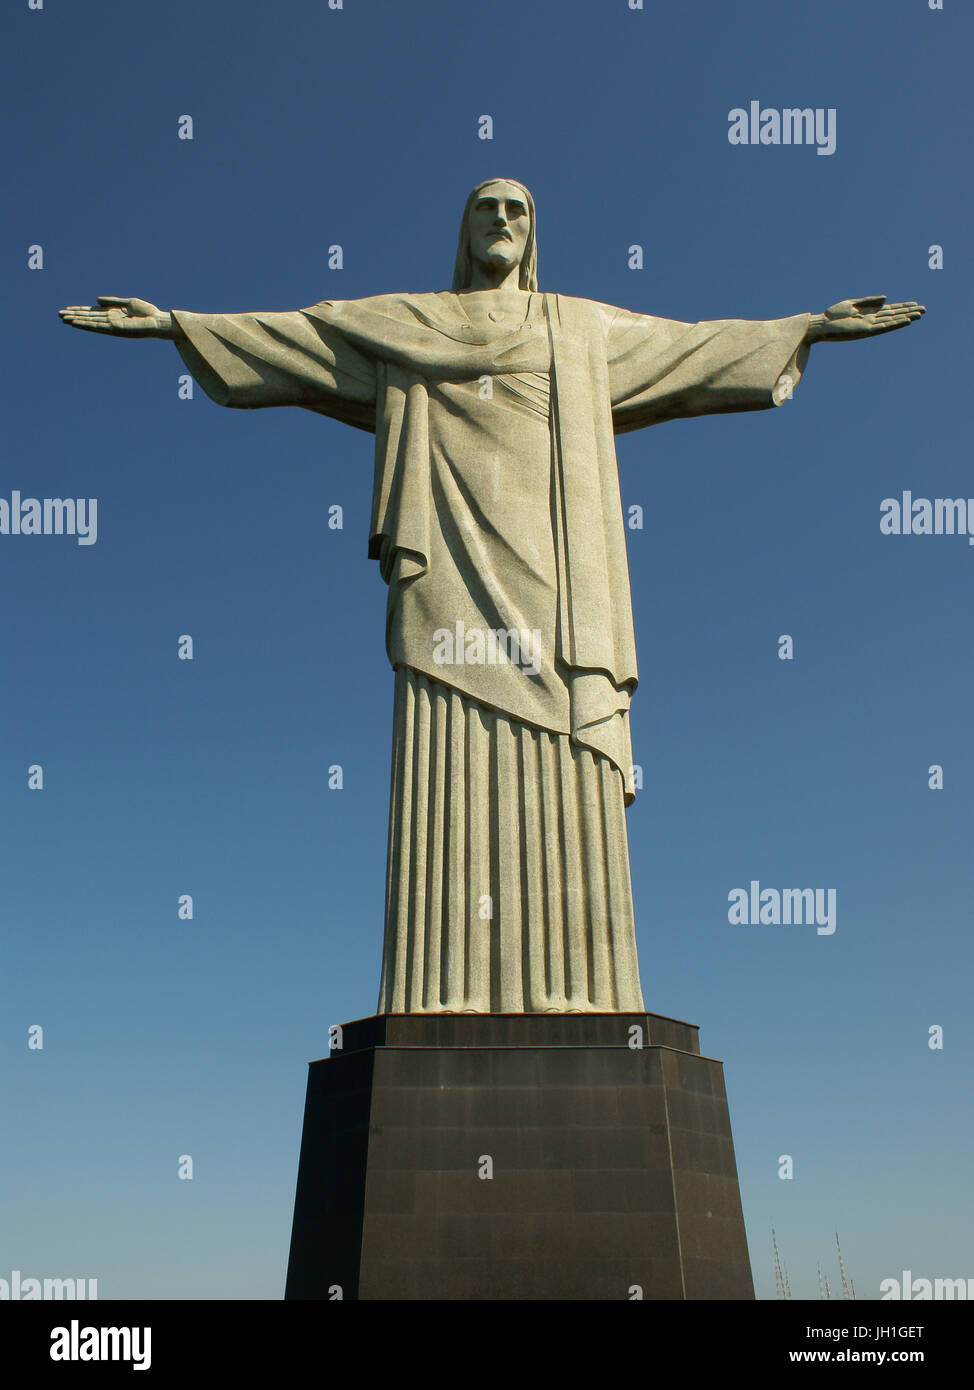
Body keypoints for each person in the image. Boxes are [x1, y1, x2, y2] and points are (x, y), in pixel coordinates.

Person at [59, 178, 924, 1014]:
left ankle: (587, 993)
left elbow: (692, 348)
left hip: (558, 580)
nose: (502, 219)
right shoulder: (410, 325)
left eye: (518, 209)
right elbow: (297, 338)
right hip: (449, 578)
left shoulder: (579, 328)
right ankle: (442, 990)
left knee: (566, 758)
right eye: (486, 208)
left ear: (533, 233)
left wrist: (806, 326)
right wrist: (178, 324)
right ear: (465, 230)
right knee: (450, 752)